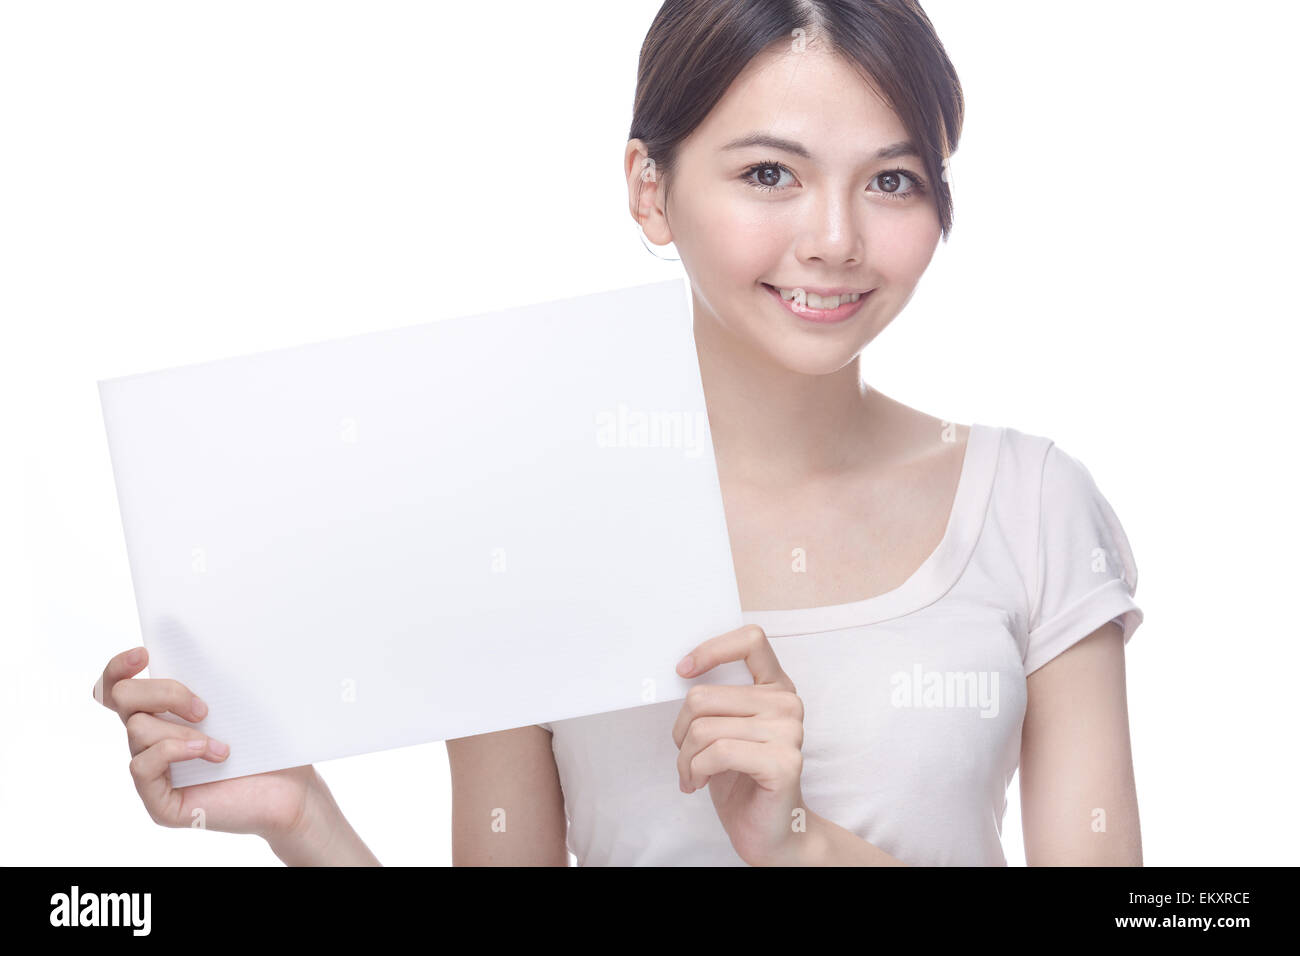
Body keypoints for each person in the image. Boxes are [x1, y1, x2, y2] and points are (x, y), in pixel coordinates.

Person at [94, 0, 1143, 866]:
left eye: (891, 179)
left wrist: (803, 846)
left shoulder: (1029, 505)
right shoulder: (525, 528)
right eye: (769, 174)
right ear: (650, 188)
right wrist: (302, 818)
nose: (834, 238)